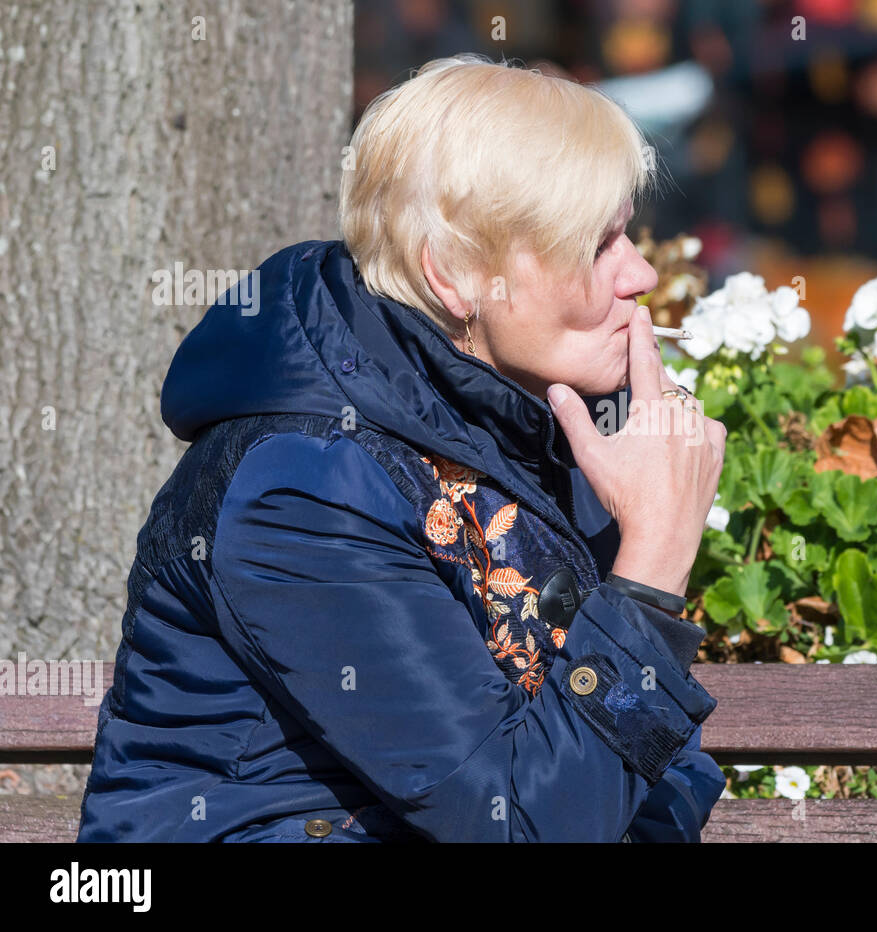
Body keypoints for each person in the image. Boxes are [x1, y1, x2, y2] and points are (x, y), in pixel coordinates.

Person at [76, 53, 728, 842]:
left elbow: (662, 770)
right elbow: (521, 825)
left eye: (628, 234)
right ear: (455, 276)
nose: (642, 273)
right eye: (599, 244)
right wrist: (654, 564)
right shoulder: (304, 485)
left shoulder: (538, 423)